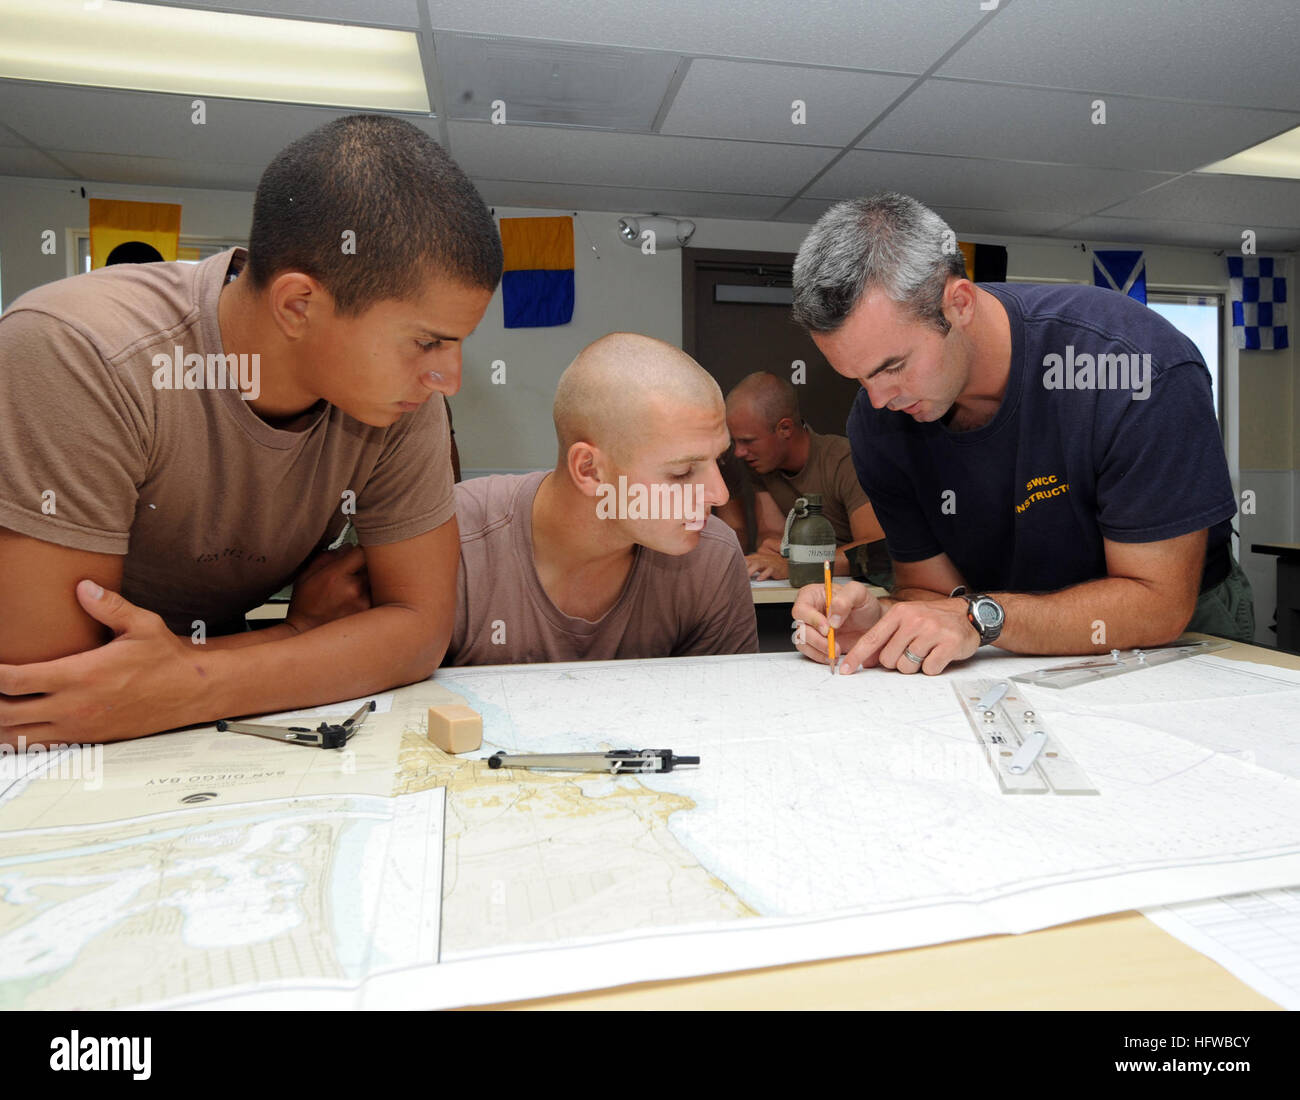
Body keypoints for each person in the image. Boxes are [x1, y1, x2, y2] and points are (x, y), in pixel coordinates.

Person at [0, 114, 501, 744]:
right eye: (428, 341)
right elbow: (51, 692)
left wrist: (195, 679)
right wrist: (293, 641)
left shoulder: (398, 399)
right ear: (299, 305)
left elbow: (418, 631)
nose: (448, 378)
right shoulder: (80, 349)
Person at [789, 192, 1252, 676]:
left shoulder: (1133, 369)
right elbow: (933, 592)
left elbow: (1156, 604)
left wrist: (983, 618)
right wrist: (884, 618)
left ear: (959, 304)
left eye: (893, 367)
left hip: (1176, 631)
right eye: (858, 379)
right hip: (1000, 629)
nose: (879, 399)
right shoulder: (878, 422)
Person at [447, 333, 758, 664]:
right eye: (681, 473)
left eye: (720, 460)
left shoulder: (712, 556)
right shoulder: (453, 540)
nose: (719, 493)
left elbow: (722, 709)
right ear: (590, 470)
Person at [725, 372, 888, 584]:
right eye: (735, 442)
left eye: (748, 441)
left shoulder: (845, 461)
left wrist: (796, 565)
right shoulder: (760, 464)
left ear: (784, 428)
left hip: (863, 590)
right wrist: (771, 553)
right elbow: (772, 534)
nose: (738, 452)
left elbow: (874, 547)